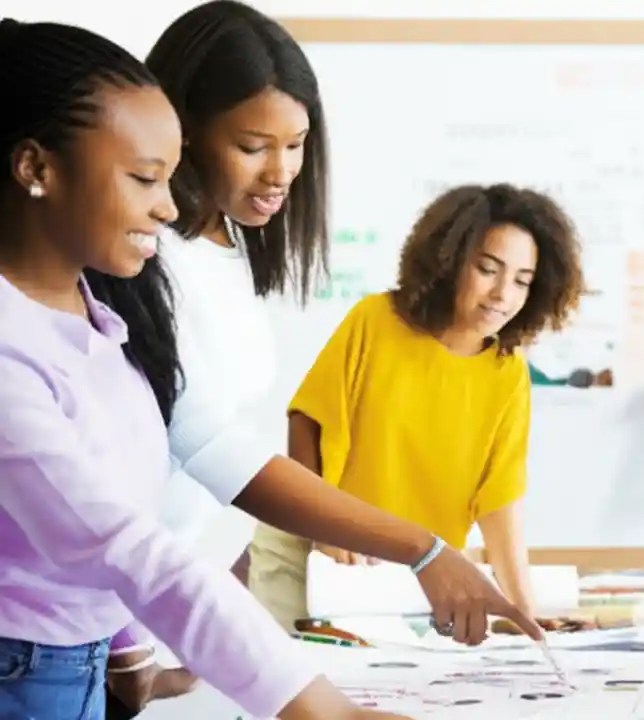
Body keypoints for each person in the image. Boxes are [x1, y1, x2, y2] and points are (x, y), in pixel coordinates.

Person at [80, 2, 541, 713]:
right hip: (114, 624)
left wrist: (237, 577)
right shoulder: (141, 257)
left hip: (183, 612)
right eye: (253, 145)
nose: (281, 171)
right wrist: (421, 549)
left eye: (296, 145)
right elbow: (205, 447)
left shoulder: (226, 252)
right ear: (183, 129)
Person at [0, 18, 408, 720]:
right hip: (29, 667)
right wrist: (315, 706)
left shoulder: (96, 311)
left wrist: (130, 637)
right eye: (145, 179)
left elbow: (114, 506)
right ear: (36, 167)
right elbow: (113, 539)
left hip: (88, 656)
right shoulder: (13, 346)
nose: (166, 207)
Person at [248, 183, 585, 629]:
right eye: (487, 269)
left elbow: (499, 503)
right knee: (301, 690)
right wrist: (324, 527)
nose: (503, 293)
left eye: (522, 281)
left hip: (411, 572)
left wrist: (525, 611)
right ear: (449, 261)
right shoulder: (376, 321)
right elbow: (307, 423)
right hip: (316, 554)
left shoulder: (507, 372)